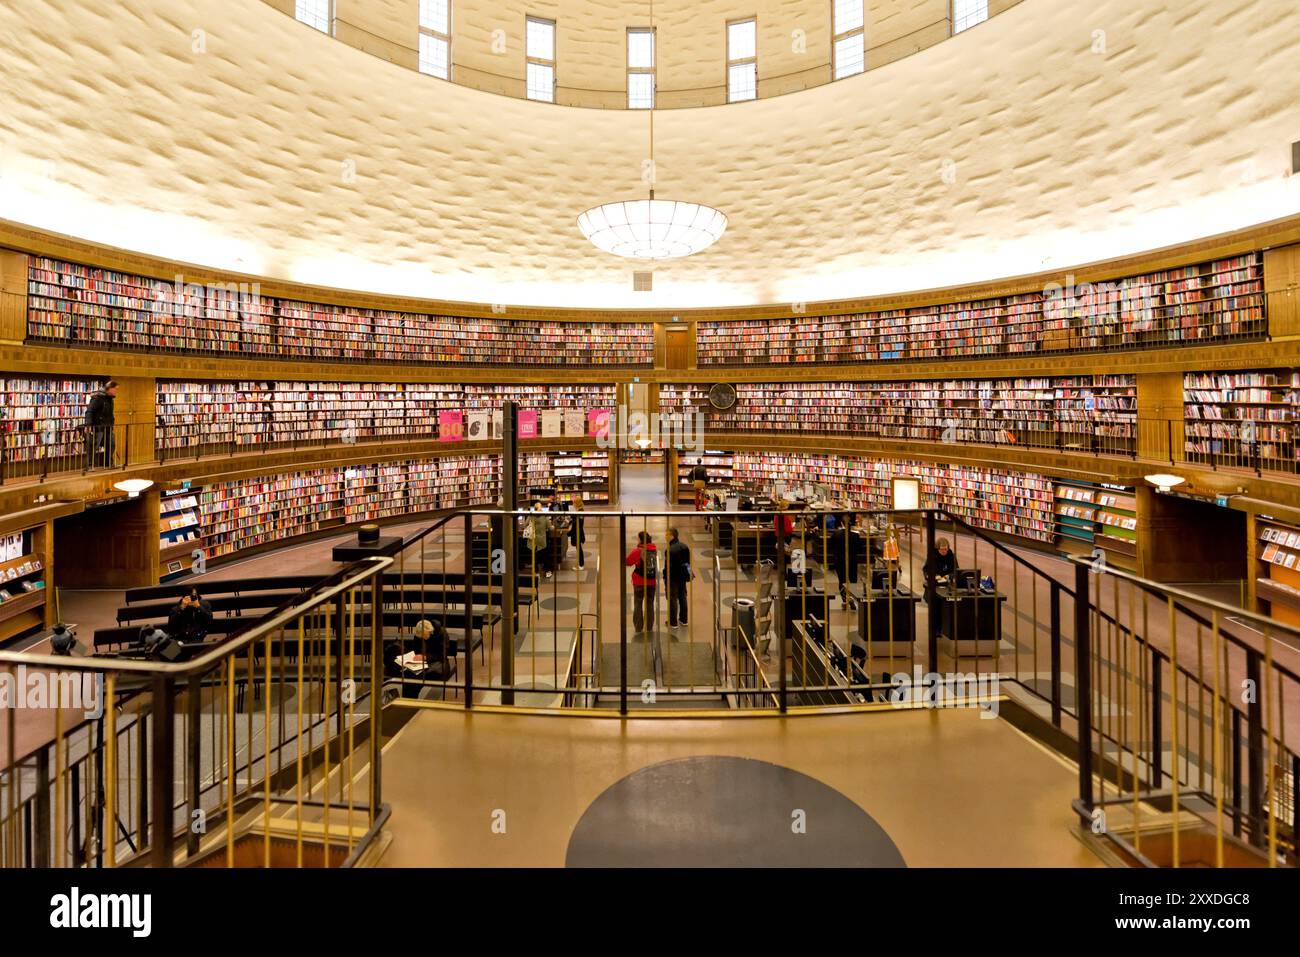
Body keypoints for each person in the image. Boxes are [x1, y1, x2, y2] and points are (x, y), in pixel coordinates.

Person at [625, 530, 658, 633]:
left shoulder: (638, 551)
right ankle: (649, 627)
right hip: (652, 582)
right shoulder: (654, 550)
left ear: (640, 539)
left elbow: (628, 562)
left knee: (638, 603)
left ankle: (638, 627)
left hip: (639, 582)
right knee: (650, 604)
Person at [84, 380, 118, 469]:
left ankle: (108, 464)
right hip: (98, 427)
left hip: (108, 427)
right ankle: (89, 466)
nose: (116, 391)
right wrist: (88, 425)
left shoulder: (110, 400)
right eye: (115, 389)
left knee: (111, 445)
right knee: (93, 447)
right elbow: (89, 411)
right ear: (109, 389)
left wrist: (112, 423)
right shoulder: (98, 399)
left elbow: (110, 414)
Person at [666, 527, 691, 628]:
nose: (665, 537)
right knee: (683, 597)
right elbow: (688, 563)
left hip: (673, 578)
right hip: (683, 576)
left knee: (673, 599)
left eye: (667, 535)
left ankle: (673, 622)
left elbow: (667, 567)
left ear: (672, 536)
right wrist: (688, 575)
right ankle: (684, 620)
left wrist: (665, 578)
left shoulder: (670, 550)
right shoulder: (685, 546)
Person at [523, 501, 552, 579]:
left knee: (534, 557)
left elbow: (524, 525)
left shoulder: (531, 516)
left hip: (532, 540)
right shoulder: (544, 517)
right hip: (541, 540)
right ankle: (547, 571)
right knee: (545, 556)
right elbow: (550, 527)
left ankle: (536, 572)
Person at [569, 496, 586, 568]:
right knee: (579, 549)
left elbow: (575, 525)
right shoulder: (580, 510)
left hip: (578, 534)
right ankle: (580, 564)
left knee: (579, 549)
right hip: (580, 533)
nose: (573, 504)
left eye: (574, 502)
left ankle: (581, 565)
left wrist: (568, 533)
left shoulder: (579, 513)